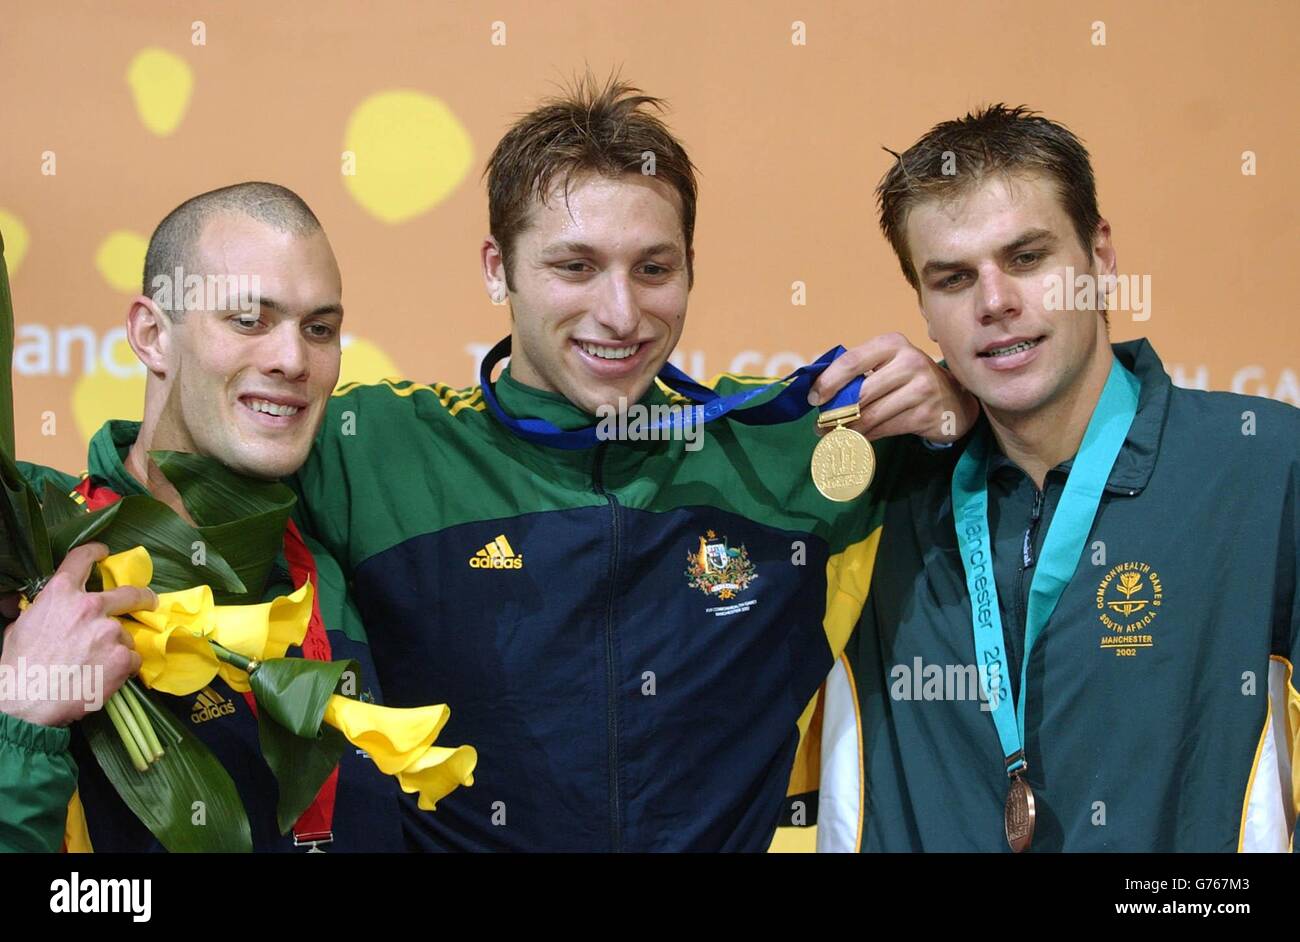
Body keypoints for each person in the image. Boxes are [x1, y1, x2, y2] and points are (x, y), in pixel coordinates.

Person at [289, 75, 979, 851]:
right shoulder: (370, 447)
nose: (621, 314)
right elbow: (165, 471)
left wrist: (958, 409)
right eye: (575, 268)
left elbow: (1024, 480)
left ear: (690, 266)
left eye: (653, 269)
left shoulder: (797, 447)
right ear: (496, 268)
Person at [815, 105, 1299, 852]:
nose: (995, 302)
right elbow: (688, 438)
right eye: (952, 277)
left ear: (1101, 256)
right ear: (922, 306)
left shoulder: (1265, 469)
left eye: (1027, 258)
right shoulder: (873, 487)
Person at [1, 182, 470, 852]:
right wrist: (20, 716)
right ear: (151, 333)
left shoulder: (346, 573)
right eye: (249, 320)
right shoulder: (35, 584)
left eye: (320, 329)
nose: (292, 360)